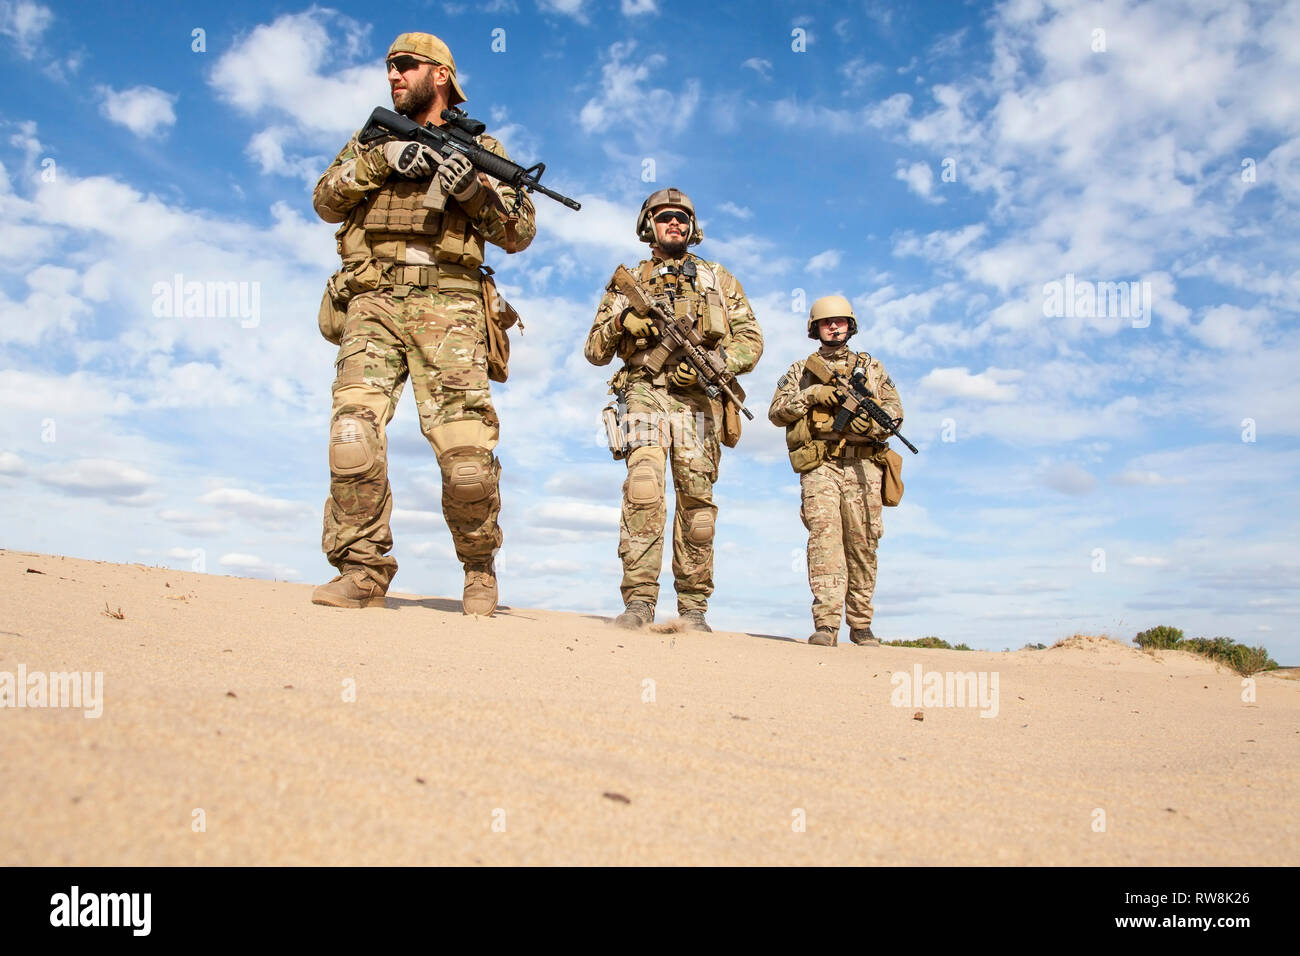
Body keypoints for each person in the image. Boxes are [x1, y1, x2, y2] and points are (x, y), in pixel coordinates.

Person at [310, 32, 535, 615]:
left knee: (466, 462)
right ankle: (362, 570)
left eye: (404, 66)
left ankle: (480, 568)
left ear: (440, 75)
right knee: (351, 435)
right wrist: (379, 162)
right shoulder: (372, 137)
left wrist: (472, 194)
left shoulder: (485, 145)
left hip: (452, 305)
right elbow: (326, 201)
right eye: (389, 67)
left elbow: (519, 232)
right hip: (373, 298)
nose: (393, 76)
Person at [584, 189, 763, 632]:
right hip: (644, 388)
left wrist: (718, 365)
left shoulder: (716, 277)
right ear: (650, 226)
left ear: (693, 226)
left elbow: (751, 337)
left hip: (698, 400)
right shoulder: (629, 280)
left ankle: (693, 608)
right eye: (666, 218)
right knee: (644, 485)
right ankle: (640, 601)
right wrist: (622, 322)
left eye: (682, 219)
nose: (675, 225)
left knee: (697, 502)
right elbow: (593, 350)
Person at [768, 296, 904, 647]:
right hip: (821, 464)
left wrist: (871, 426)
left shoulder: (871, 368)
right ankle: (826, 624)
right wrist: (812, 395)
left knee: (863, 542)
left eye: (840, 321)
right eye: (827, 322)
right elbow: (777, 412)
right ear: (815, 327)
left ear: (850, 325)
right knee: (824, 541)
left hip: (864, 465)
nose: (834, 326)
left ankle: (861, 624)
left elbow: (894, 412)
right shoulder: (801, 370)